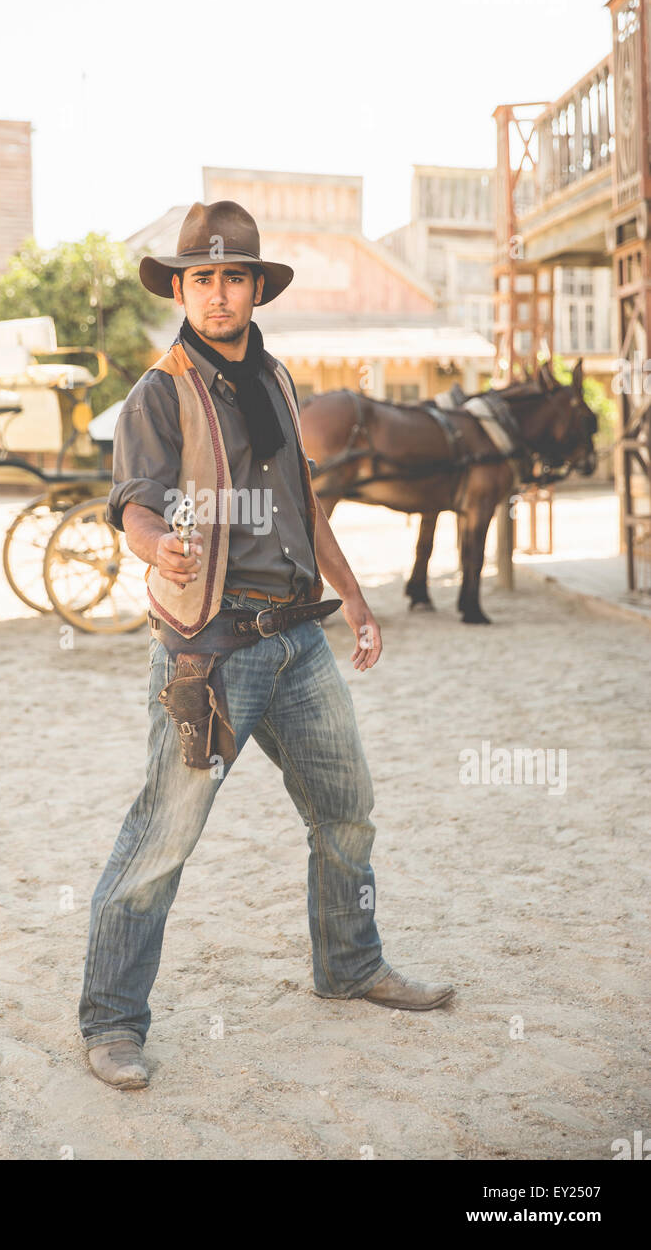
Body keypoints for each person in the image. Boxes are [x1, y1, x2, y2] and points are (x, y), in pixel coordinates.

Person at [79, 200, 454, 1089]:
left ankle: (351, 965)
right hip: (207, 652)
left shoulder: (280, 383)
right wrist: (154, 542)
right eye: (201, 279)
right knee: (162, 837)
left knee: (347, 809)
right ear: (180, 287)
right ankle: (111, 1024)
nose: (217, 294)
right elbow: (134, 502)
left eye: (233, 278)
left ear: (255, 290)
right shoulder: (158, 393)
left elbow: (304, 505)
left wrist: (357, 600)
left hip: (296, 641)